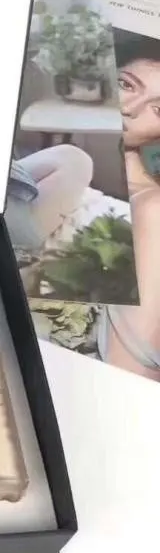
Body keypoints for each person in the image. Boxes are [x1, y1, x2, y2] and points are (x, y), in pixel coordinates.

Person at [104, 29, 160, 380]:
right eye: (126, 85)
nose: (129, 108)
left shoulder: (153, 210)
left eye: (159, 109)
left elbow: (128, 376)